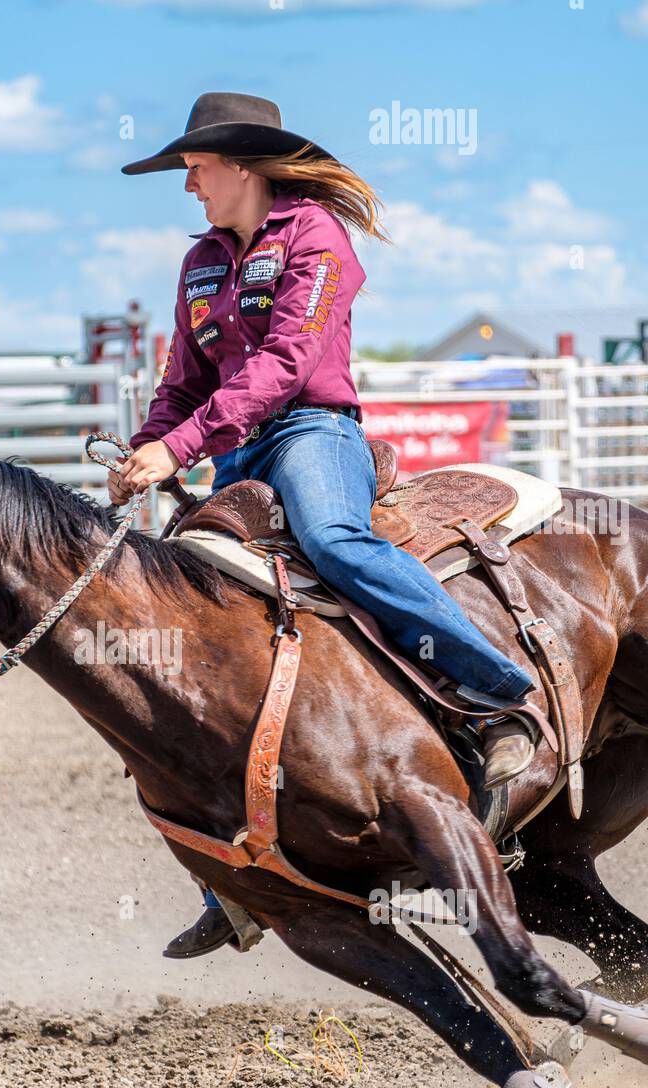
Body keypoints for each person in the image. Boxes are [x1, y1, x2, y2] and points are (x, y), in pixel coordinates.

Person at [113, 92, 542, 959]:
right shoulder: (199, 264)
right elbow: (184, 377)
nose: (188, 186)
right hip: (233, 448)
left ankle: (499, 696)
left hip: (311, 430)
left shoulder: (315, 237)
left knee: (335, 538)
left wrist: (185, 447)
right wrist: (149, 445)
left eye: (196, 168)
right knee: (169, 619)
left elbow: (284, 367)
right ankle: (224, 878)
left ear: (242, 166)